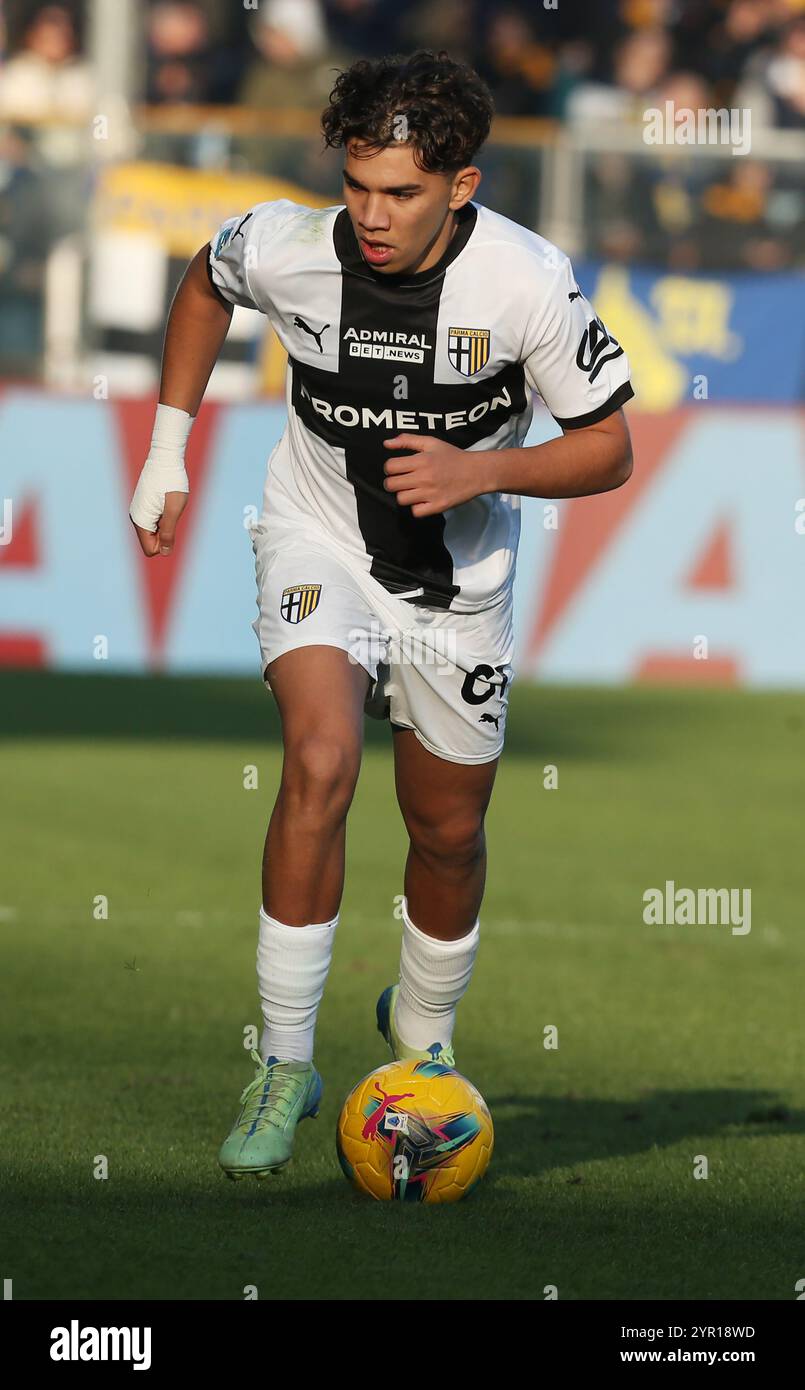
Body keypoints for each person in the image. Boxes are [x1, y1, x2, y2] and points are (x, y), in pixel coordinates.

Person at [128, 50, 634, 1180]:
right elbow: (206, 282)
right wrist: (169, 453)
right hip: (315, 534)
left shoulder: (524, 282)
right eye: (356, 185)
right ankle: (283, 1063)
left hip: (458, 584)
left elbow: (609, 447)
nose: (369, 215)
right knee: (317, 762)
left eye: (399, 193)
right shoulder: (294, 246)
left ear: (462, 184)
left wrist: (478, 474)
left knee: (445, 831)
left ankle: (420, 1051)